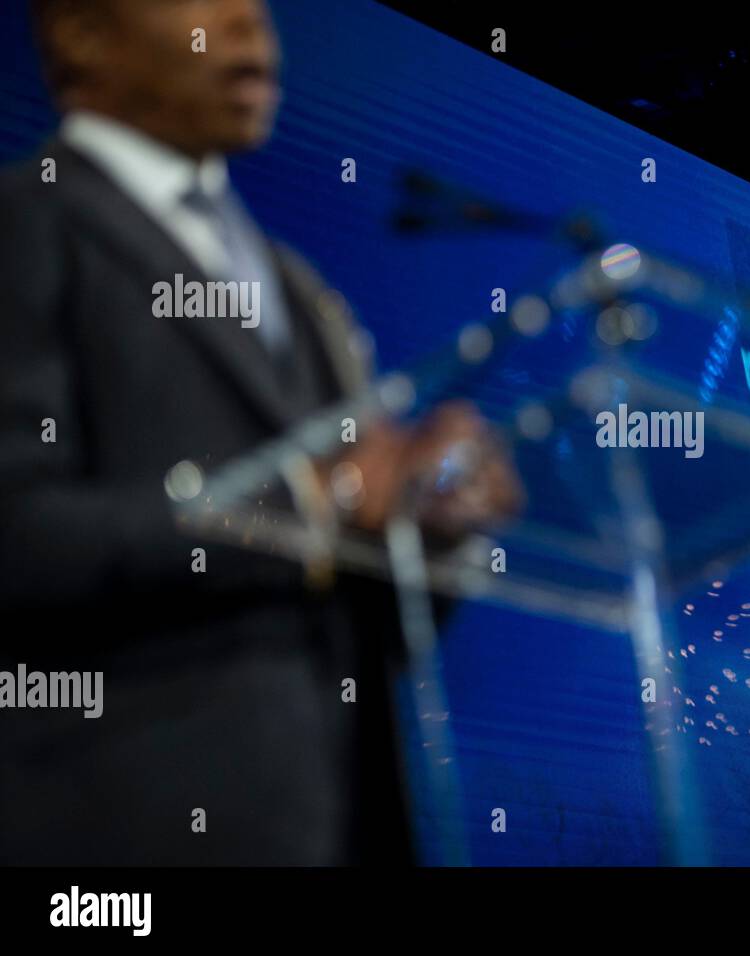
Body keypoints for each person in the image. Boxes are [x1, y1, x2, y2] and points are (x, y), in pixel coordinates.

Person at [0, 0, 520, 864]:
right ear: (80, 33)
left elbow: (364, 610)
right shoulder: (24, 225)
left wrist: (425, 526)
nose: (248, 19)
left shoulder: (302, 291)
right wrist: (320, 502)